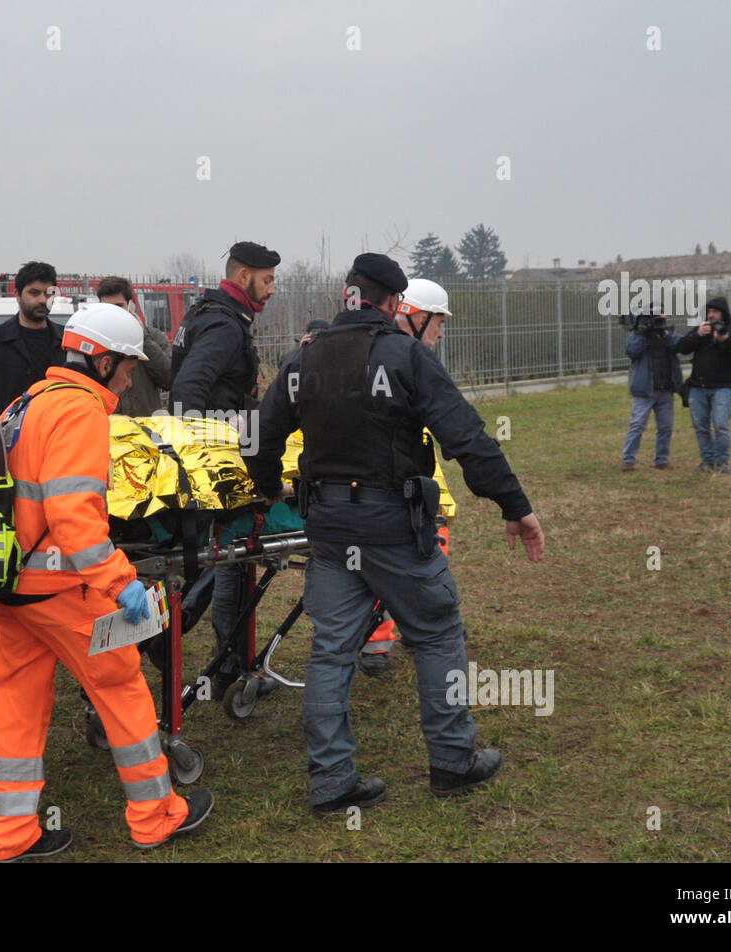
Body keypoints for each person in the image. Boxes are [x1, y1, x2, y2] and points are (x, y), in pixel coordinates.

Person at [247, 253, 545, 812]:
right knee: (435, 632)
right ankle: (453, 762)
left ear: (348, 297)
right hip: (392, 527)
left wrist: (268, 488)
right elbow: (467, 437)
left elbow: (261, 434)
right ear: (392, 305)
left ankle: (332, 781)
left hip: (330, 530)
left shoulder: (303, 359)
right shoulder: (404, 356)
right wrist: (514, 505)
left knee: (331, 651)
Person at [0, 302, 213, 861]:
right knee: (122, 690)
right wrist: (119, 582)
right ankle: (156, 816)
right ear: (103, 361)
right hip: (62, 588)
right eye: (129, 366)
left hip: (11, 586)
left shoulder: (25, 401)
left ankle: (11, 837)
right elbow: (72, 516)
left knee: (16, 705)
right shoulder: (79, 412)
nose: (133, 376)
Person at [169, 240, 279, 692]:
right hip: (214, 468)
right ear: (242, 277)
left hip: (216, 460)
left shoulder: (210, 313)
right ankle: (173, 640)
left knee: (231, 562)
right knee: (223, 563)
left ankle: (231, 664)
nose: (272, 290)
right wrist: (209, 454)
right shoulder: (223, 325)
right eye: (267, 280)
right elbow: (186, 395)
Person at [359, 277, 457, 676]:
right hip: (388, 495)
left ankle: (400, 636)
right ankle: (383, 641)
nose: (441, 332)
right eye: (438, 322)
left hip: (418, 487)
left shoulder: (405, 359)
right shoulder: (403, 361)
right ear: (414, 316)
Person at [0, 261, 65, 413]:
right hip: (6, 434)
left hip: (60, 431)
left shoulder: (68, 341)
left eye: (48, 293)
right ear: (17, 296)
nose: (42, 300)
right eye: (34, 293)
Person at [677, 296, 731, 473]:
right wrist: (697, 335)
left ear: (723, 314)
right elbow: (682, 347)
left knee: (721, 425)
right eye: (709, 312)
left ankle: (722, 462)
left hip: (723, 387)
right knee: (701, 427)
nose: (711, 315)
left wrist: (726, 340)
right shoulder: (701, 330)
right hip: (697, 386)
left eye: (715, 312)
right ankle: (707, 461)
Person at [98, 276, 172, 417]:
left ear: (130, 306)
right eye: (108, 307)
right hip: (108, 427)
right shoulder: (93, 339)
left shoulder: (153, 337)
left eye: (119, 306)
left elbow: (169, 378)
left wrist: (142, 336)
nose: (114, 313)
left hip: (146, 428)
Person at [621, 305, 682, 471]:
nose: (657, 319)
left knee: (666, 427)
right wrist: (644, 333)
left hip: (665, 389)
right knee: (637, 425)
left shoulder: (666, 333)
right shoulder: (639, 334)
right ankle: (628, 460)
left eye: (659, 316)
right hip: (644, 389)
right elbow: (631, 351)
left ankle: (661, 460)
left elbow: (679, 345)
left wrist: (664, 331)